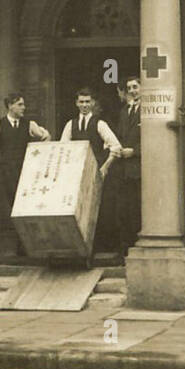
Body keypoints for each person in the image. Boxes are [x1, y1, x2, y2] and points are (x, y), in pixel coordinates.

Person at [0, 92, 52, 255]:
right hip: (8, 172)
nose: (24, 108)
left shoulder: (29, 124)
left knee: (27, 206)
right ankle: (16, 247)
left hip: (27, 172)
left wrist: (39, 153)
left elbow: (46, 136)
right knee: (13, 207)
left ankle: (27, 247)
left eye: (23, 104)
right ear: (10, 106)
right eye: (20, 104)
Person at [60, 87, 124, 253]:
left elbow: (116, 146)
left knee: (100, 208)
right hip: (76, 176)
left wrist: (105, 166)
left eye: (88, 102)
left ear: (93, 103)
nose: (84, 105)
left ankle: (102, 248)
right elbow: (63, 148)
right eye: (81, 102)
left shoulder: (100, 124)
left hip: (96, 173)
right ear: (76, 103)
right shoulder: (70, 125)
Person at [108, 76, 144, 253]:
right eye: (129, 88)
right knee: (124, 210)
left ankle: (137, 246)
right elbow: (119, 136)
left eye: (135, 87)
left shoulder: (148, 111)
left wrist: (135, 151)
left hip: (139, 169)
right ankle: (125, 249)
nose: (132, 91)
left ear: (143, 88)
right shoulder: (124, 112)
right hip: (123, 170)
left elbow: (154, 139)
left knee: (137, 209)